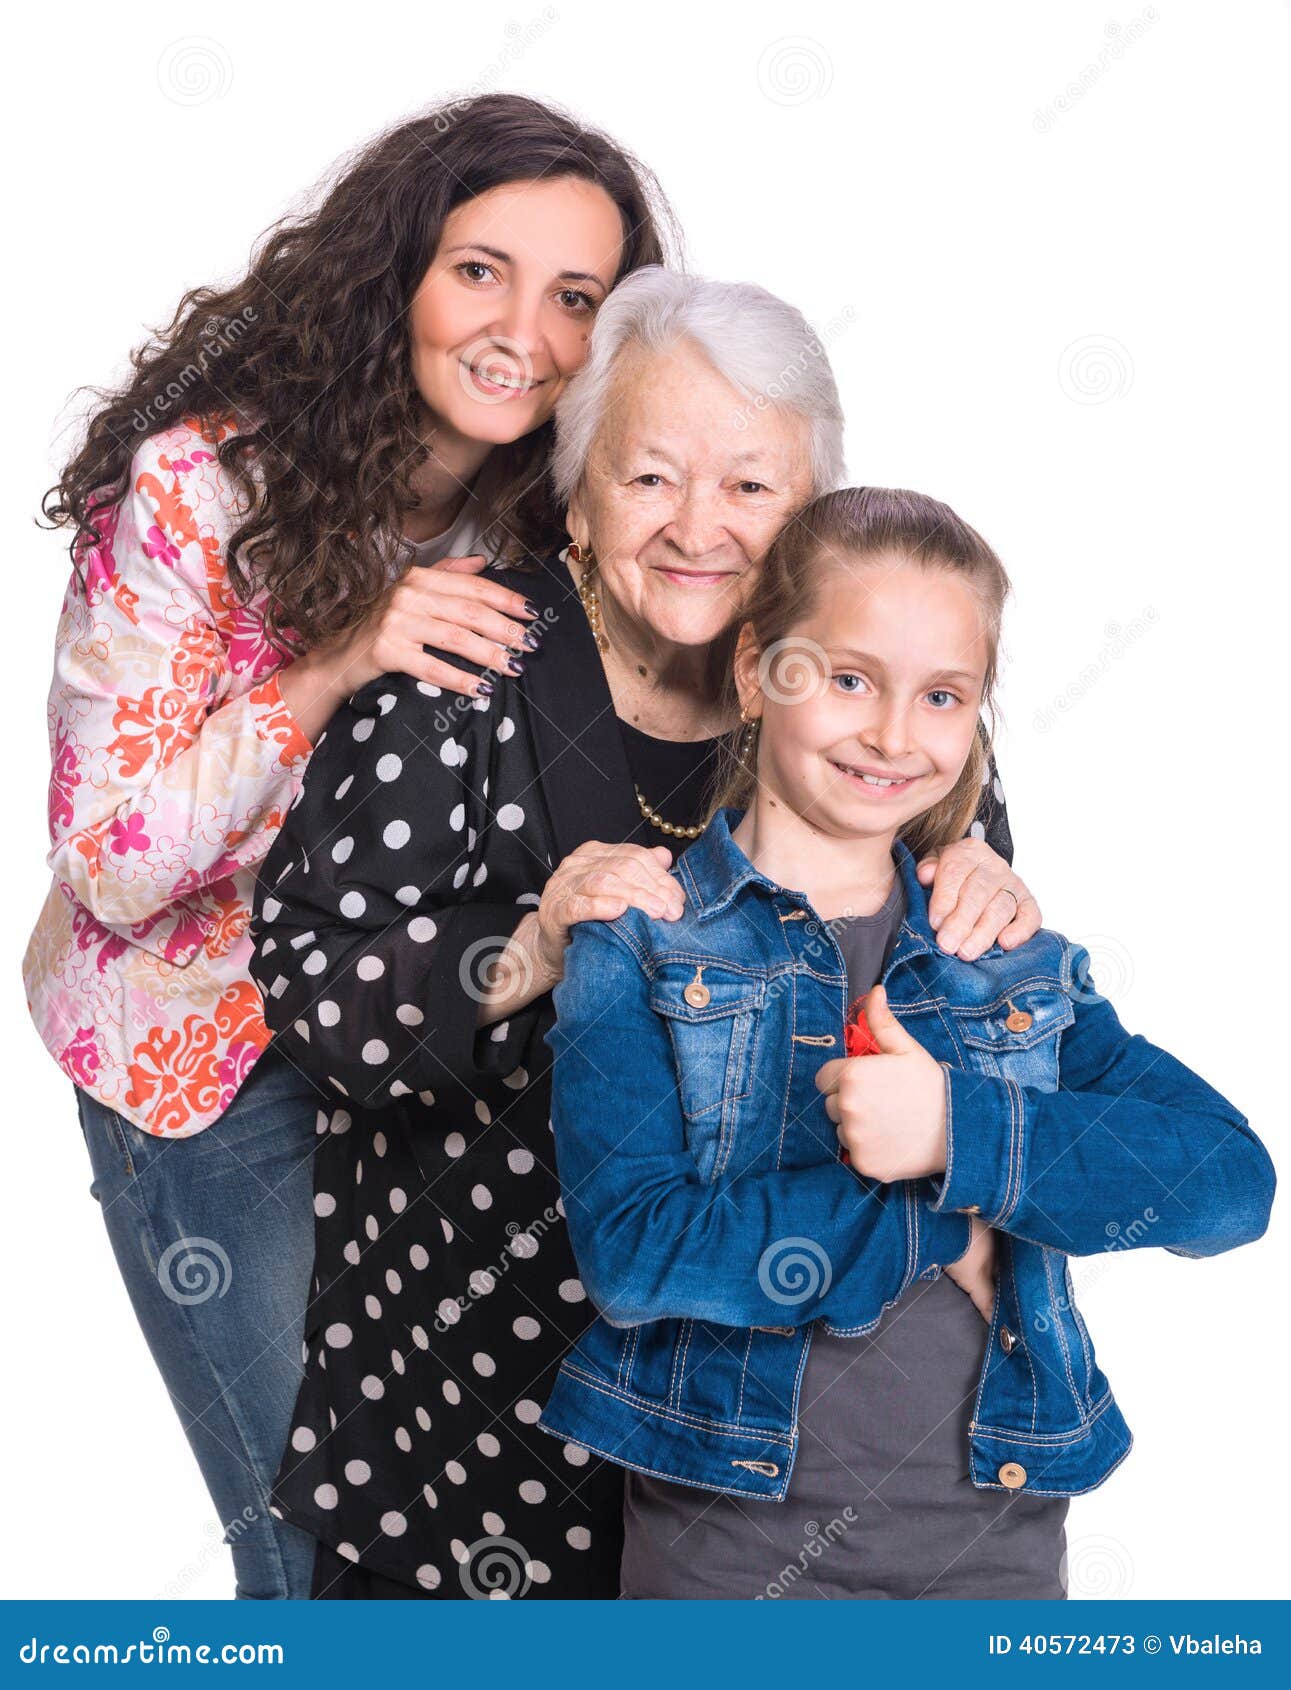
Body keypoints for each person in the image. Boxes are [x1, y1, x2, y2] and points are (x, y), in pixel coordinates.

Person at [248, 271, 1040, 1599]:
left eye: (749, 488)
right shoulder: (458, 677)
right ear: (575, 491)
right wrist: (528, 945)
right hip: (478, 1391)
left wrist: (985, 907)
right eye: (649, 478)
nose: (698, 529)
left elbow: (966, 1029)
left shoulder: (871, 701)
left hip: (779, 1427)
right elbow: (315, 995)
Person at [22, 92, 675, 1598]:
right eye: (480, 269)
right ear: (395, 276)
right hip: (212, 1059)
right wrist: (331, 666)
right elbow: (111, 863)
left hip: (427, 1037)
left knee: (451, 1535)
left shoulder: (545, 514)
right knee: (310, 1542)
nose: (525, 326)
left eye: (576, 296)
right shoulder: (198, 487)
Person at [539, 484, 1276, 1600]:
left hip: (996, 1552)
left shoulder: (1003, 953)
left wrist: (958, 1130)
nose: (892, 734)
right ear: (752, 671)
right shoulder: (638, 939)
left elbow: (1230, 1185)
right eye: (848, 679)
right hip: (729, 1563)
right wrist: (938, 1217)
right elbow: (638, 1257)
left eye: (941, 695)